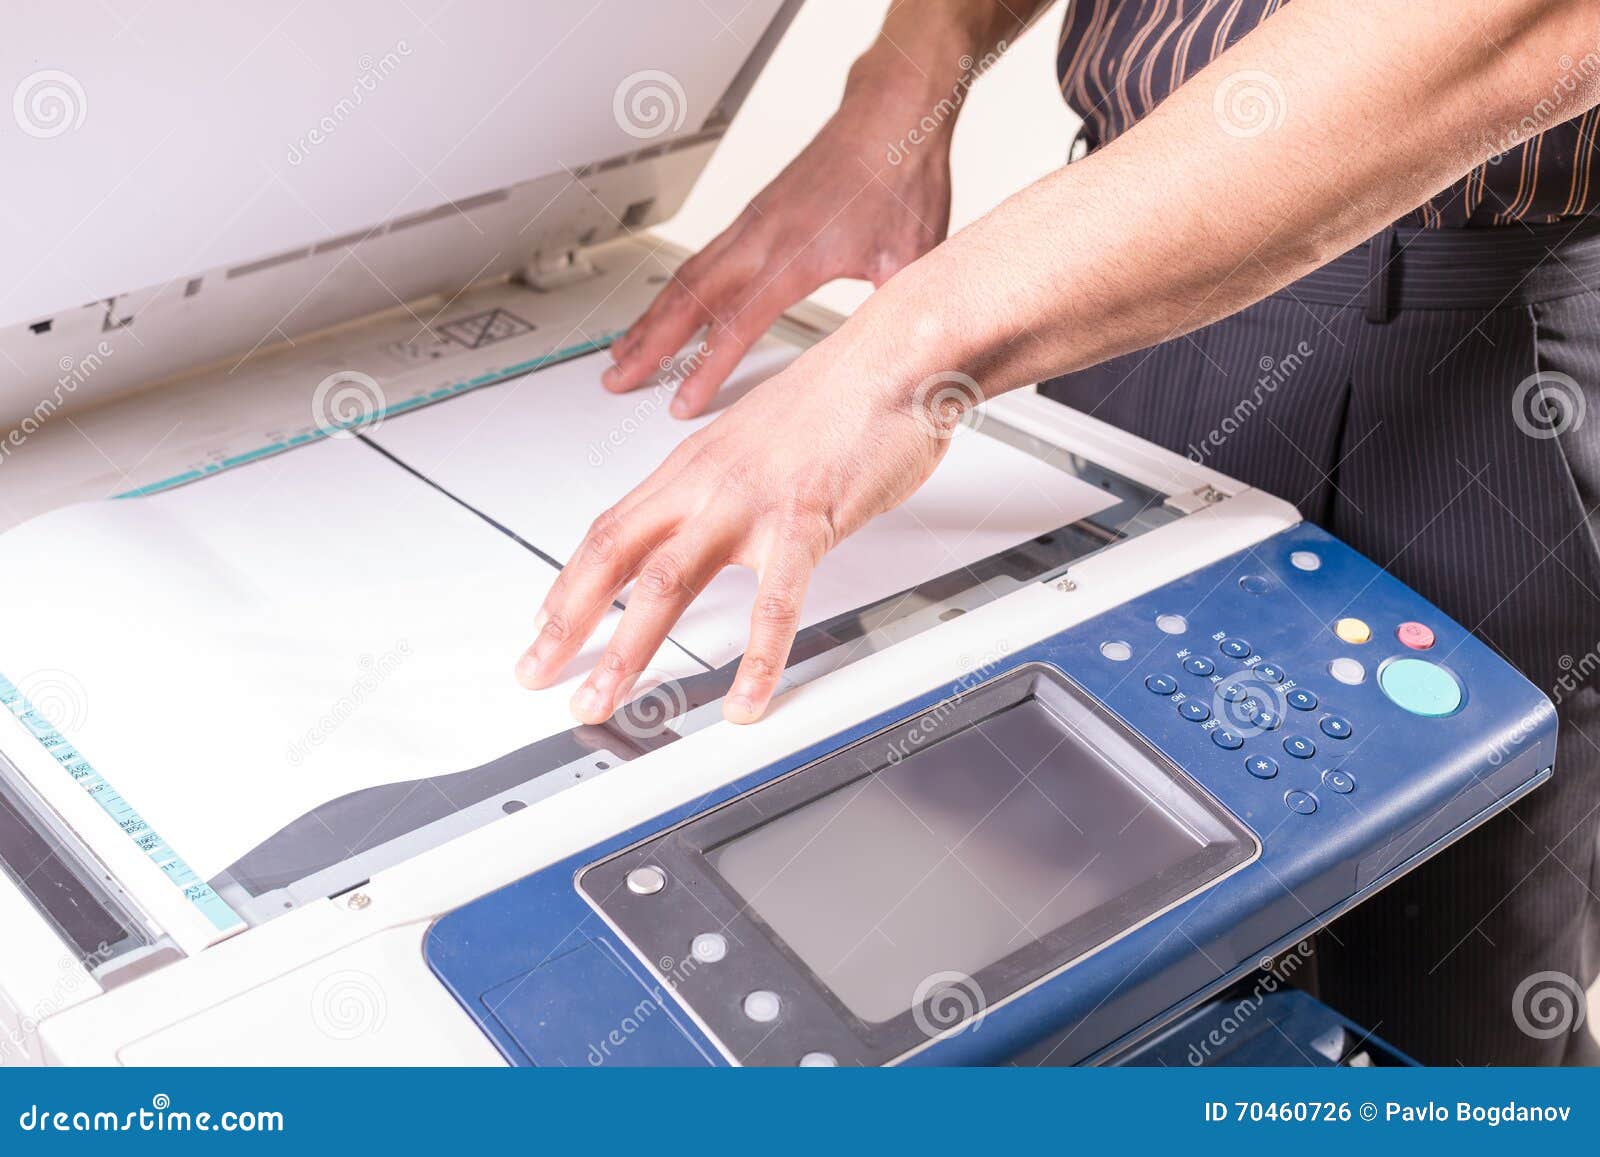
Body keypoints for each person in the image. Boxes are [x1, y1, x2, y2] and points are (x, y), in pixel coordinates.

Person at [514, 0, 1600, 1064]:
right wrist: (900, 85)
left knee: (1443, 1013)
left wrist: (896, 353)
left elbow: (1490, 29)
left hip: (1472, 350)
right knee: (1068, 967)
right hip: (1105, 291)